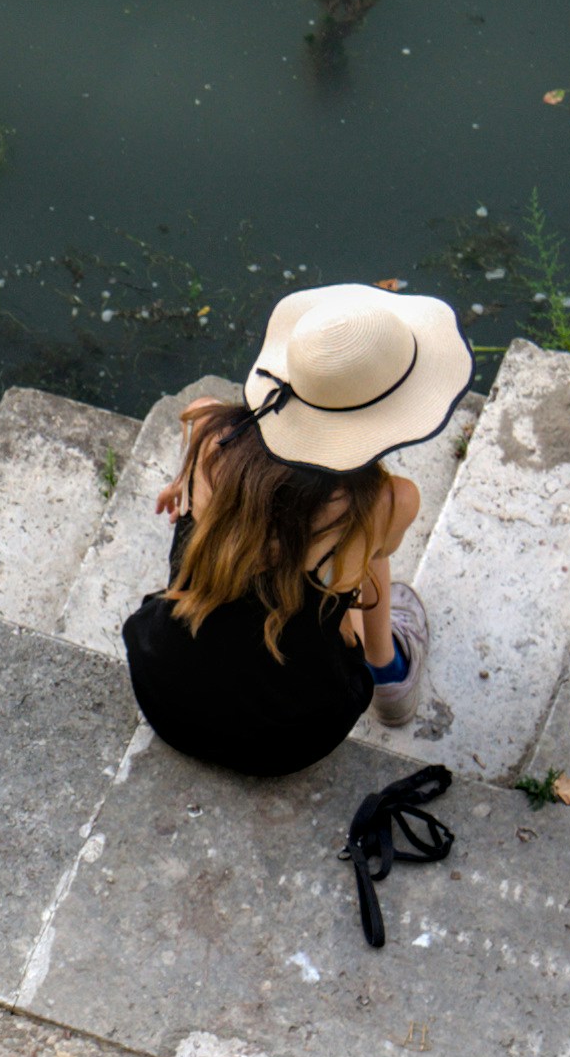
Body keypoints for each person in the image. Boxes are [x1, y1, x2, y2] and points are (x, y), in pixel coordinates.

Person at [120, 284, 470, 780]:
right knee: (364, 548)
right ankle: (388, 672)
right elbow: (362, 557)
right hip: (288, 740)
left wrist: (185, 479)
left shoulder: (206, 428)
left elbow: (228, 474)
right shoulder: (391, 501)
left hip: (164, 690)